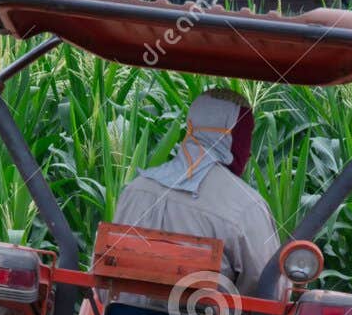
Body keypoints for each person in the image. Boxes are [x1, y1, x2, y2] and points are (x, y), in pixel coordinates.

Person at [112, 88, 281, 297]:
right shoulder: (246, 206)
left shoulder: (136, 189)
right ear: (234, 137)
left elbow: (103, 282)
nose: (250, 151)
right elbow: (269, 292)